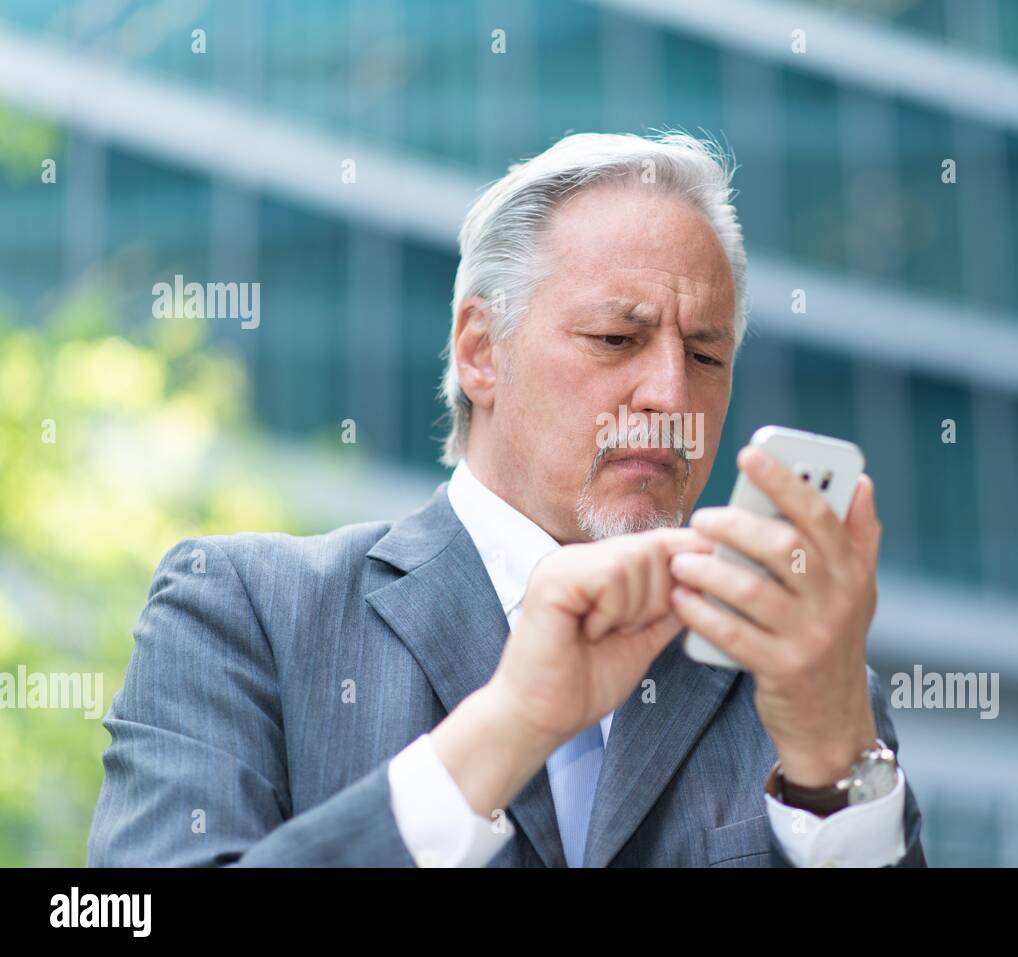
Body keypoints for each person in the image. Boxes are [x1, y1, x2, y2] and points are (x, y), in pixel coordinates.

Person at [87, 131, 925, 868]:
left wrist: (833, 768)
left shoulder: (803, 678)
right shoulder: (248, 612)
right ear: (481, 351)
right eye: (616, 338)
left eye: (706, 357)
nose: (672, 396)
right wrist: (505, 730)